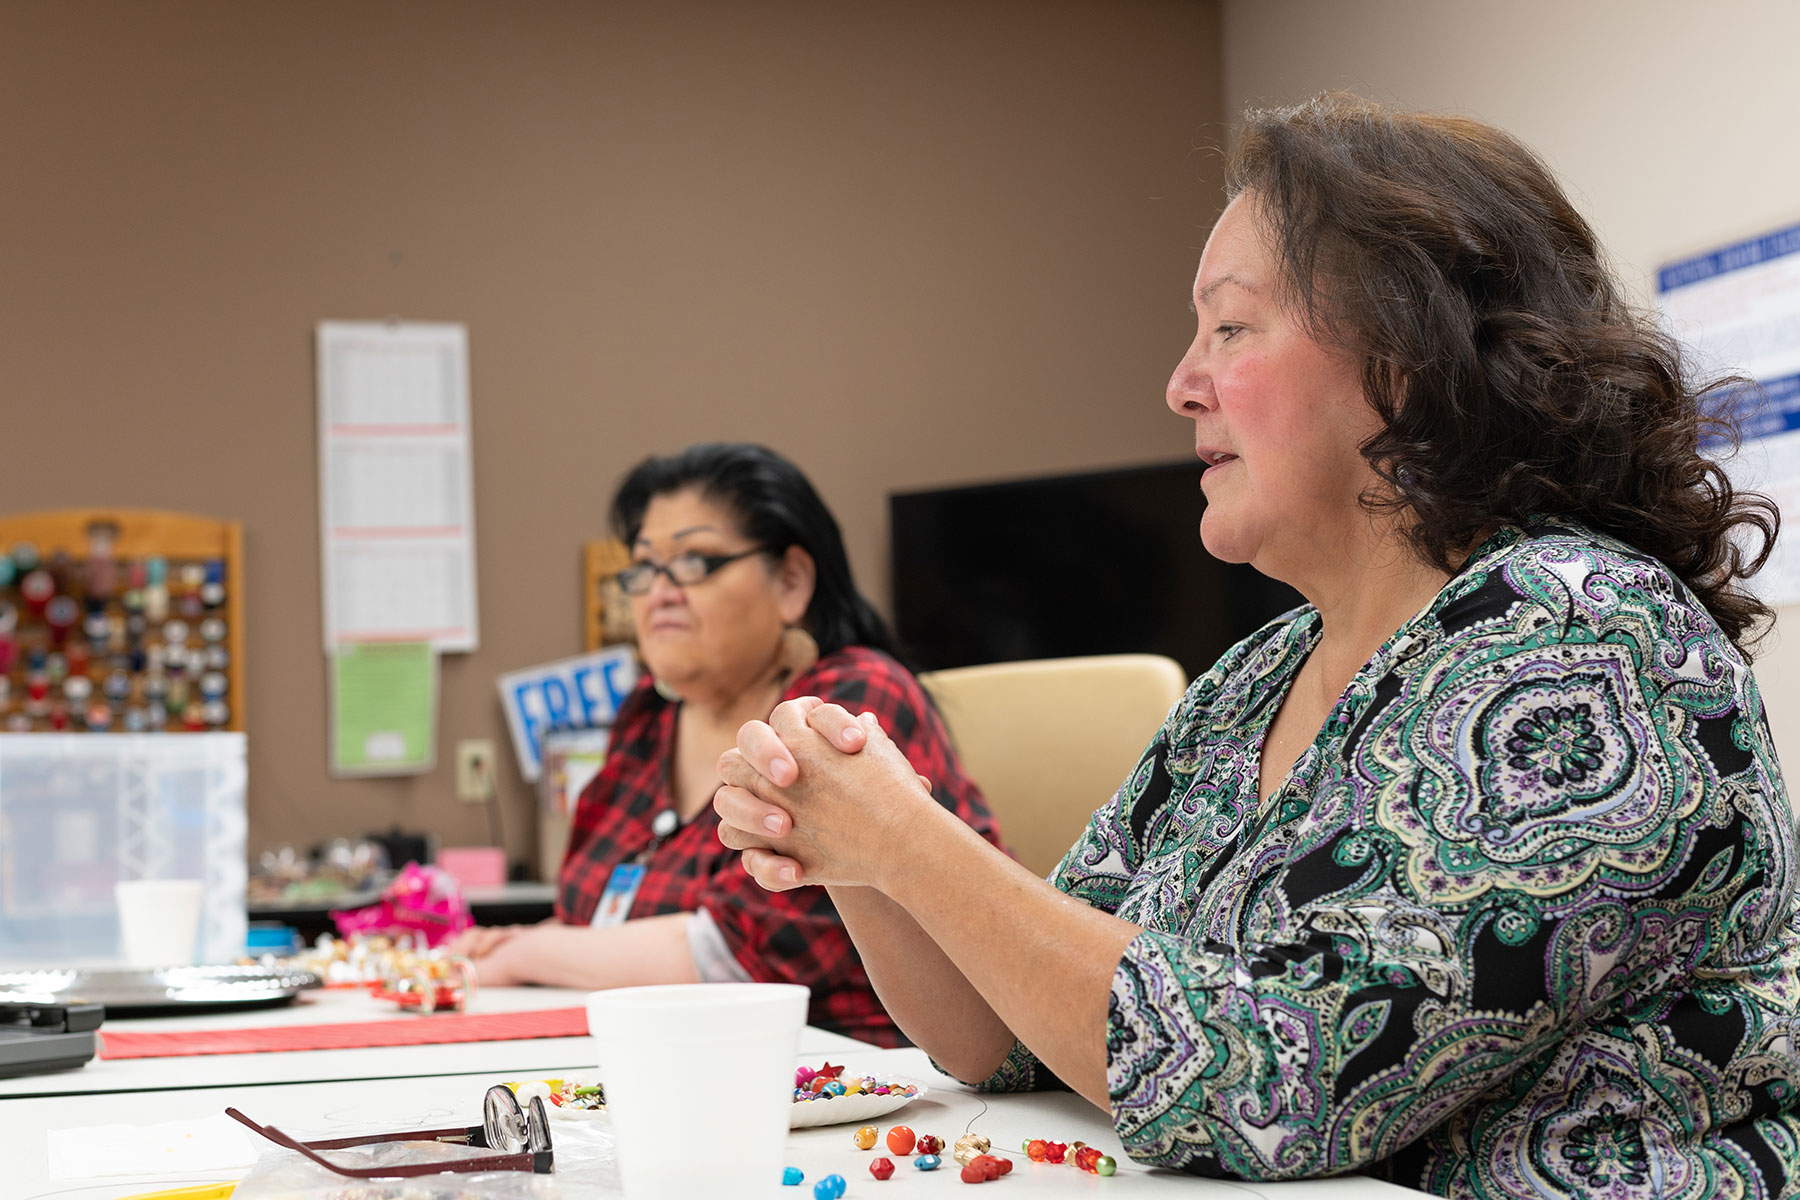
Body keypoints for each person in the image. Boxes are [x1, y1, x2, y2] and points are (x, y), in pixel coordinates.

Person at [712, 94, 1798, 1198]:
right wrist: (849, 836)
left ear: (1406, 358)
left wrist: (908, 843)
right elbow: (1013, 1029)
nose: (1181, 382)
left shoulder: (1588, 640)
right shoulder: (1255, 679)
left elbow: (1284, 1089)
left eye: (1230, 328)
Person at [451, 442, 1000, 1047]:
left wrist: (532, 951)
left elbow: (735, 956)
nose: (659, 590)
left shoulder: (846, 702)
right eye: (643, 568)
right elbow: (591, 914)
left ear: (791, 581)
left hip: (860, 1084)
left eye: (694, 562)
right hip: (658, 1059)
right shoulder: (646, 715)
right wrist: (522, 945)